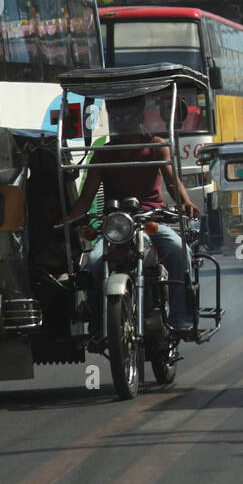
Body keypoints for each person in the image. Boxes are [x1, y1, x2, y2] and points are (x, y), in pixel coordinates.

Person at [67, 99, 200, 330]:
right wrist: (68, 222)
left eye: (127, 115)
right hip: (115, 225)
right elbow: (86, 199)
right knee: (93, 266)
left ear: (138, 117)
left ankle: (181, 316)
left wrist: (186, 202)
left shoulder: (157, 145)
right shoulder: (103, 153)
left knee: (180, 251)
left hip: (151, 222)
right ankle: (98, 324)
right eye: (118, 116)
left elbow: (172, 183)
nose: (122, 121)